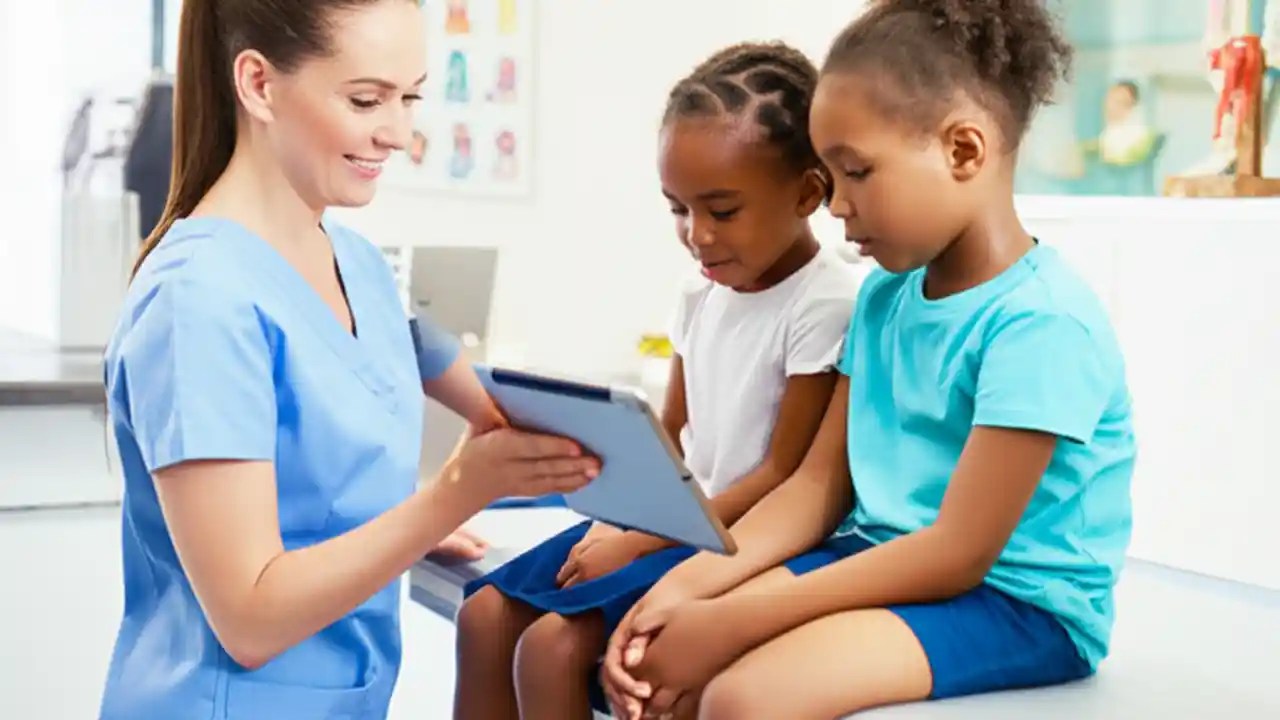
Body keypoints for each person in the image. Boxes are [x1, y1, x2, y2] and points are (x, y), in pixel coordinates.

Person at [601, 2, 1138, 718]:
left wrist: (739, 614)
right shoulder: (886, 295)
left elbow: (957, 553)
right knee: (665, 655)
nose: (836, 204)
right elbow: (816, 487)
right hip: (876, 555)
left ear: (964, 152)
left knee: (742, 699)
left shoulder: (1041, 325)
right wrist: (687, 585)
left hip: (1017, 603)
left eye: (855, 172)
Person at [97, 2, 597, 718]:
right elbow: (250, 616)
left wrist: (520, 428)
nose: (398, 132)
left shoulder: (353, 261)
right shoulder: (198, 300)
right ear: (259, 84)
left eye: (411, 97)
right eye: (366, 99)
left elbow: (411, 348)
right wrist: (447, 498)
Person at [452, 41, 863, 720]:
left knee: (550, 648)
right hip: (669, 522)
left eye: (722, 211)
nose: (696, 235)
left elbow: (781, 478)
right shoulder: (698, 294)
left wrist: (639, 540)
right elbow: (668, 437)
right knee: (484, 619)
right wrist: (613, 522)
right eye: (678, 208)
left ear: (808, 193)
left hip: (733, 541)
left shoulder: (826, 304)